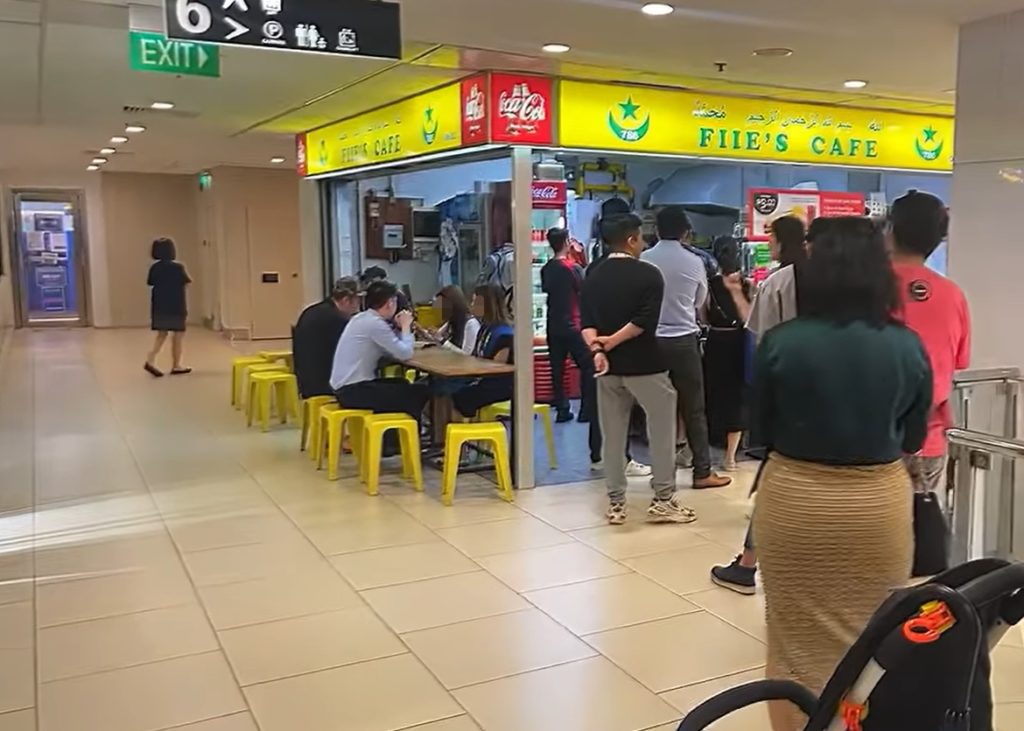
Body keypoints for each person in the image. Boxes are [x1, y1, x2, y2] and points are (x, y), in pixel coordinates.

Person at [751, 217, 932, 731]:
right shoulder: (907, 345)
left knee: (790, 640)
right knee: (871, 638)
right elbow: (913, 437)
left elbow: (760, 428)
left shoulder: (783, 342)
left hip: (796, 499)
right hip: (876, 505)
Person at [581, 213, 696, 525]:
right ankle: (663, 498)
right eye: (640, 238)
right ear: (631, 239)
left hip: (607, 368)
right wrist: (613, 341)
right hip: (646, 366)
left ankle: (616, 503)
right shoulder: (649, 274)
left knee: (613, 435)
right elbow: (643, 323)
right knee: (660, 430)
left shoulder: (592, 274)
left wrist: (599, 348)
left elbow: (586, 323)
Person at [641, 205, 731, 489]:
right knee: (694, 409)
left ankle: (661, 474)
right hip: (684, 340)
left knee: (656, 410)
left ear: (656, 230)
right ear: (686, 232)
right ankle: (702, 472)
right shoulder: (694, 262)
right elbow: (700, 302)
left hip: (651, 342)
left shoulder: (643, 259)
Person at [889, 190, 970, 497]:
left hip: (873, 437)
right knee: (919, 527)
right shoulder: (953, 295)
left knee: (868, 534)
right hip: (929, 435)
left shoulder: (868, 289)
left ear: (890, 230)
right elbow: (959, 361)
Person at [587, 198, 652, 477]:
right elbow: (641, 317)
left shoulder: (594, 268)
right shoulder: (638, 271)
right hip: (623, 348)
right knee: (622, 407)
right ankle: (621, 459)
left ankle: (599, 454)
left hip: (596, 346)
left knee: (601, 405)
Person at [330, 281, 430, 435]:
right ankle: (403, 440)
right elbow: (405, 353)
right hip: (353, 391)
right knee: (416, 392)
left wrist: (397, 328)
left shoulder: (362, 318)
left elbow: (392, 347)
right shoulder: (375, 324)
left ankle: (395, 439)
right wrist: (405, 327)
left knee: (401, 383)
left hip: (345, 387)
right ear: (390, 303)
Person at [704, 237, 752, 471]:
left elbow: (702, 314)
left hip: (715, 340)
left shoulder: (709, 283)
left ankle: (704, 449)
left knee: (712, 393)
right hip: (738, 341)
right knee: (737, 395)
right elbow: (749, 317)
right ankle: (730, 458)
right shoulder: (746, 283)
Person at [541, 227, 596, 426]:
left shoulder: (546, 268)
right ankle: (586, 410)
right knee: (587, 365)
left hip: (553, 324)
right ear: (566, 242)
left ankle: (562, 408)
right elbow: (585, 289)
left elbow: (547, 289)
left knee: (557, 369)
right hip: (573, 324)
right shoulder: (573, 268)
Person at [451, 284, 515, 418]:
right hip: (483, 380)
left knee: (457, 395)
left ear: (486, 304)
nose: (472, 305)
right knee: (445, 389)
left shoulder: (504, 335)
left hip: (500, 386)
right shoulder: (485, 328)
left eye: (475, 302)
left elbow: (495, 368)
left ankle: (464, 435)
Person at [292, 277, 360, 399]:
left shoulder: (311, 311)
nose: (358, 307)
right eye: (357, 301)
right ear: (346, 300)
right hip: (324, 386)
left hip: (305, 382)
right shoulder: (336, 320)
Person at [144, 237, 192, 377]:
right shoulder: (178, 267)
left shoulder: (154, 268)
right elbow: (187, 282)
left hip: (159, 305)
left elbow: (150, 283)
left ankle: (150, 359)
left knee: (161, 334)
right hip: (176, 305)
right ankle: (176, 365)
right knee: (178, 335)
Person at [432, 285, 480, 355]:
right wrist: (422, 331)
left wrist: (442, 340)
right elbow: (437, 336)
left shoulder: (471, 323)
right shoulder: (452, 320)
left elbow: (466, 354)